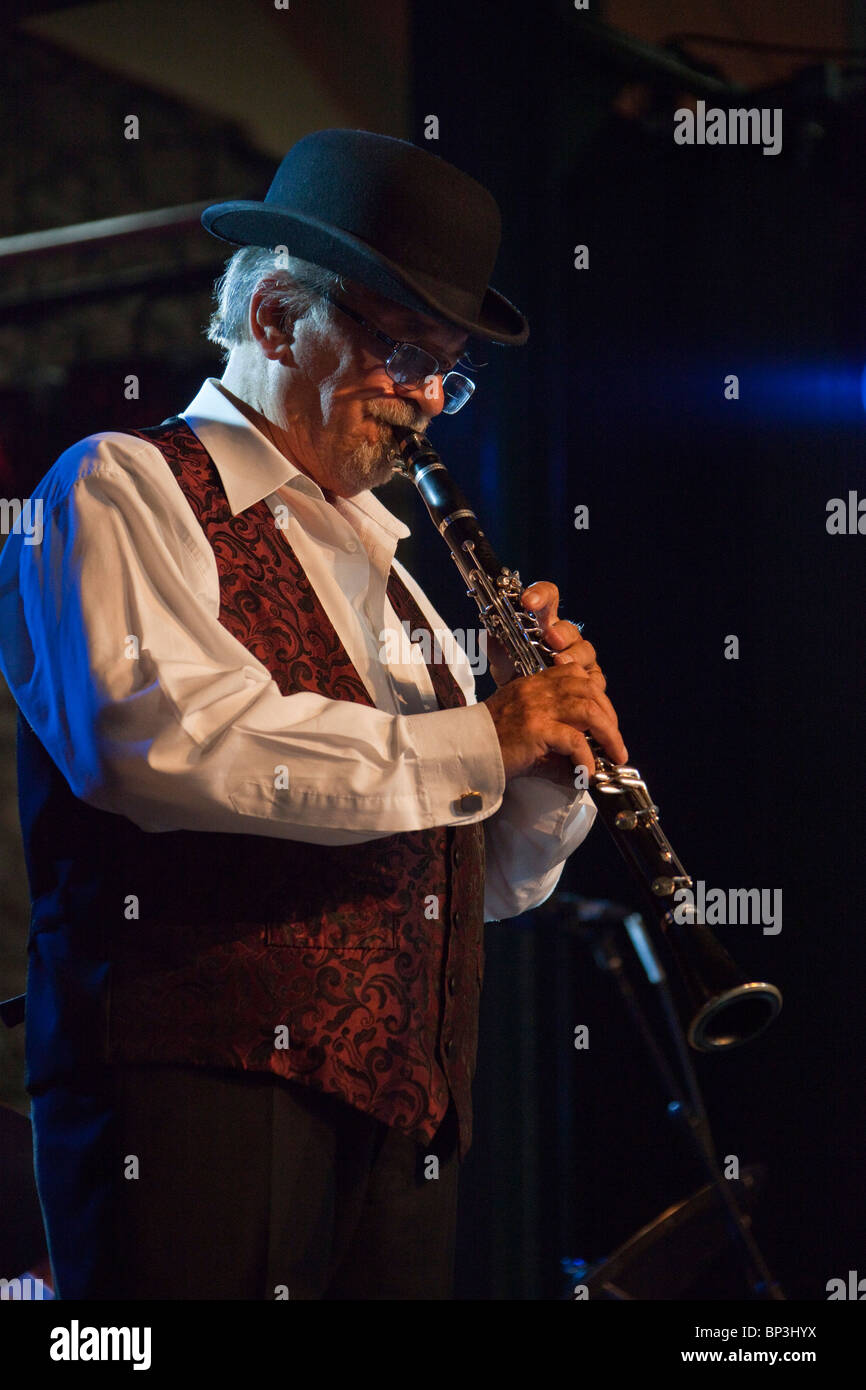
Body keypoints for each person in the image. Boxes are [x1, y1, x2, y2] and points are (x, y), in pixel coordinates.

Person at [0, 128, 626, 1300]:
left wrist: (542, 765)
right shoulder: (120, 483)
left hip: (402, 1116)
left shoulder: (394, 573)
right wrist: (480, 735)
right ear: (281, 317)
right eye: (401, 351)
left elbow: (471, 877)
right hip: (200, 1094)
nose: (427, 400)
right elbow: (159, 739)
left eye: (448, 370)